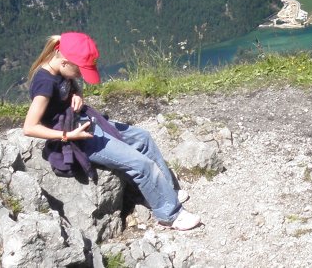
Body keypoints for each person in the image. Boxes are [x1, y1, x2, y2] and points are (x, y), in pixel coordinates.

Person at [23, 32, 201, 231]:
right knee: (141, 165)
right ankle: (170, 214)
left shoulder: (62, 70)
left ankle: (168, 191)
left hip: (85, 121)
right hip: (77, 136)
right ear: (65, 62)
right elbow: (29, 127)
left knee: (143, 138)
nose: (81, 75)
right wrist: (67, 136)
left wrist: (77, 96)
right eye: (80, 70)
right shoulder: (44, 83)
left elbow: (72, 87)